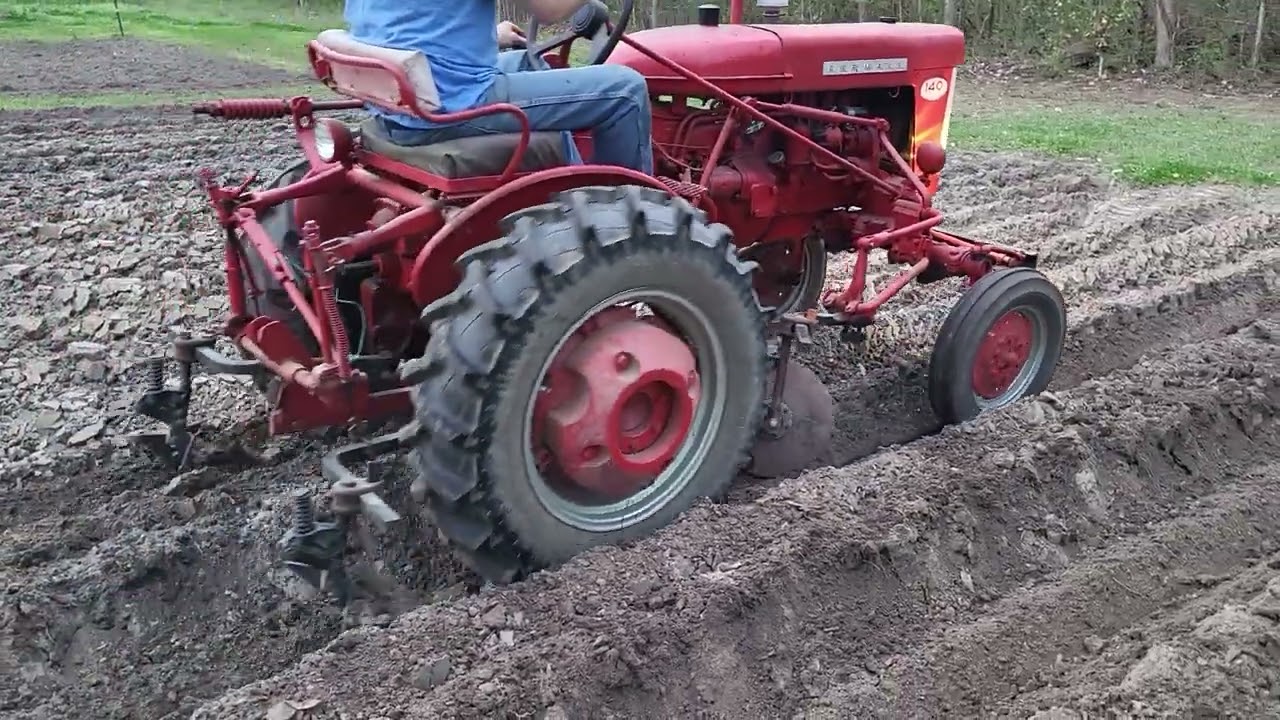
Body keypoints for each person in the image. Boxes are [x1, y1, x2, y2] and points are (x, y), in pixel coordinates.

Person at [343, 0, 654, 174]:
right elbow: (551, 9)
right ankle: (624, 214)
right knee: (626, 90)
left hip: (403, 101)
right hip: (450, 102)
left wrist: (491, 33)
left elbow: (406, 19)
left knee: (525, 61)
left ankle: (569, 176)